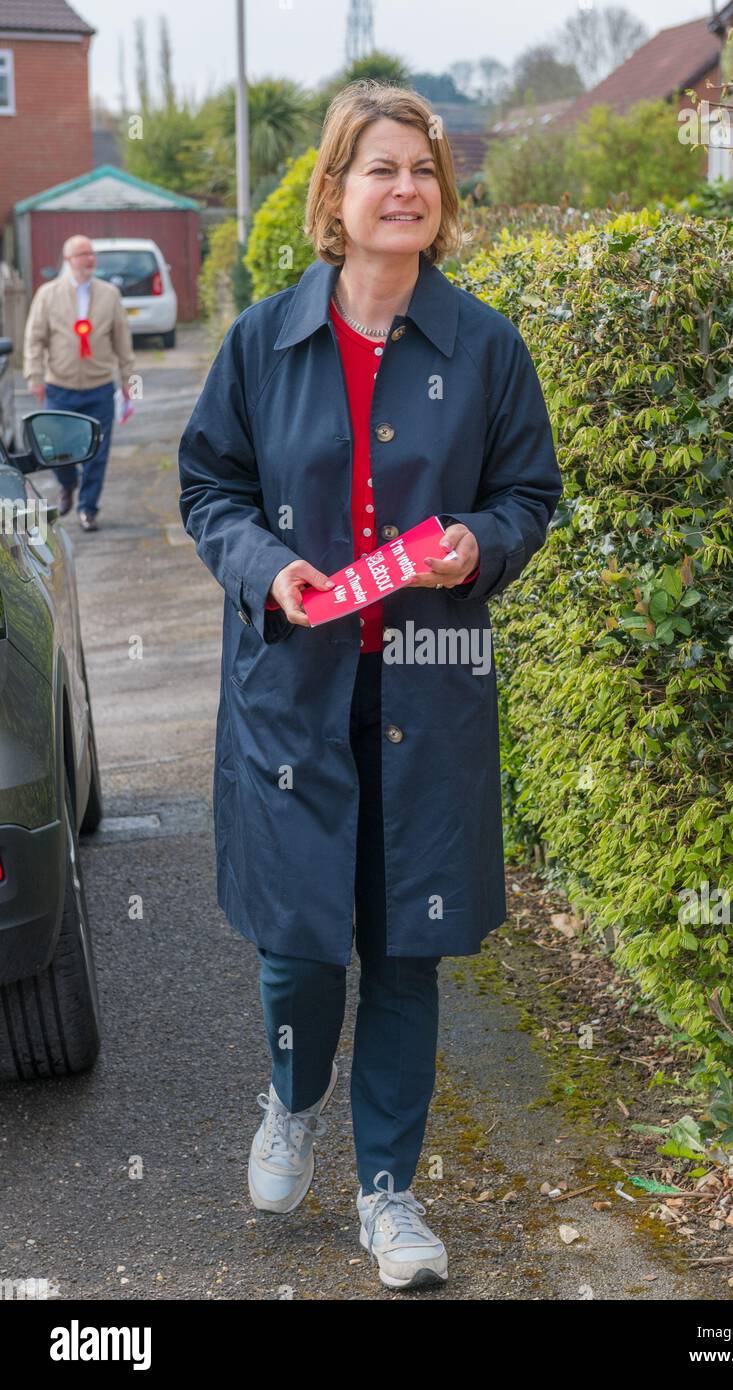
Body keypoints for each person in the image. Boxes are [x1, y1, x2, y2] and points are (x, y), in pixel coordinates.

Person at [177, 79, 563, 1292]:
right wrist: (267, 567)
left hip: (426, 694)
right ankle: (291, 1100)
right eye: (381, 168)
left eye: (424, 169)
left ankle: (389, 1191)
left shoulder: (485, 345)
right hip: (294, 689)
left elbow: (528, 494)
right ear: (333, 194)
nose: (407, 189)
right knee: (299, 941)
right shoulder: (263, 340)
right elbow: (209, 490)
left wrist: (478, 544)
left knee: (408, 944)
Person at [23, 233, 134, 531]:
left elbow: (124, 343)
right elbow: (34, 339)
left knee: (97, 452)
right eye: (83, 254)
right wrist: (34, 377)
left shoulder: (110, 294)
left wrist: (130, 383)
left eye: (91, 253)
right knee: (56, 450)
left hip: (100, 388)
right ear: (68, 260)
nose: (89, 259)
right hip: (59, 387)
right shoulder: (47, 294)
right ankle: (68, 482)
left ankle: (88, 508)